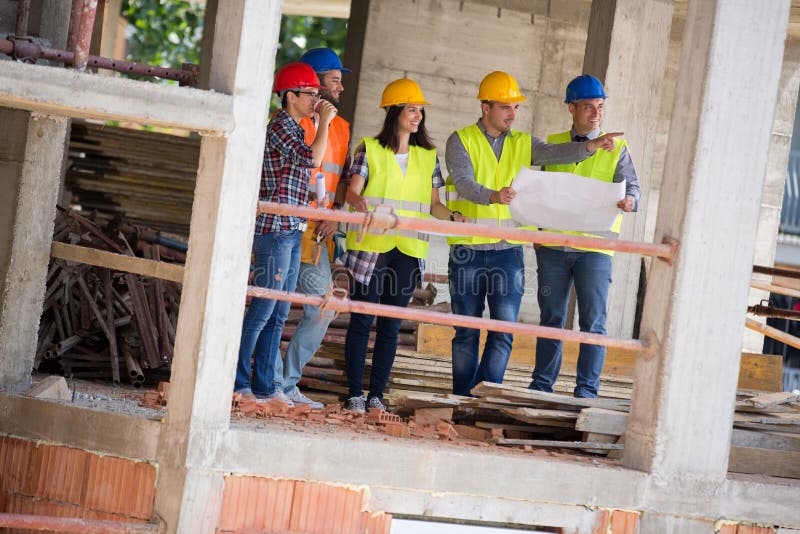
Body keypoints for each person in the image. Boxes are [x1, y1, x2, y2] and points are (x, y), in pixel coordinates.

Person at [445, 70, 621, 397]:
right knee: (466, 332)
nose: (513, 114)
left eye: (515, 108)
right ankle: (461, 398)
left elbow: (558, 154)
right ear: (486, 108)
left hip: (508, 252)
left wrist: (591, 147)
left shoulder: (524, 143)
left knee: (504, 332)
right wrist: (492, 195)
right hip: (467, 251)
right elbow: (465, 183)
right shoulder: (461, 140)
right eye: (506, 107)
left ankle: (483, 398)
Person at [343, 78, 466, 413]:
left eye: (420, 110)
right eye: (412, 109)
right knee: (362, 321)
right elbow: (353, 190)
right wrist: (357, 203)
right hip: (371, 247)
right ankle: (354, 394)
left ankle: (376, 397)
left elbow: (434, 204)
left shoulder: (428, 158)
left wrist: (451, 215)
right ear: (394, 111)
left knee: (390, 326)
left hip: (408, 250)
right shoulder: (369, 148)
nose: (418, 115)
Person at [529, 74, 639, 398]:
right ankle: (541, 387)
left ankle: (587, 392)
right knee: (551, 318)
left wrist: (630, 201)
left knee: (593, 323)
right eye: (589, 107)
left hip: (595, 248)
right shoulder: (553, 144)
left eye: (600, 107)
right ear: (572, 108)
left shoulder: (617, 148)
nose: (596, 114)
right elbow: (539, 192)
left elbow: (633, 187)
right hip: (553, 247)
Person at [234, 62, 337, 404]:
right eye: (310, 94)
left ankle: (266, 387)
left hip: (291, 229)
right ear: (291, 96)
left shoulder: (295, 129)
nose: (315, 100)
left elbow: (296, 173)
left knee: (278, 312)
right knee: (263, 309)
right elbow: (312, 159)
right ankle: (238, 383)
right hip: (275, 231)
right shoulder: (280, 127)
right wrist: (324, 123)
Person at [270, 48, 352, 409]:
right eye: (335, 79)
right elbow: (294, 174)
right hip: (289, 227)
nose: (341, 86)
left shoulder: (342, 127)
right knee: (274, 306)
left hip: (317, 235)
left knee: (322, 308)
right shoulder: (292, 122)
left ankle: (286, 383)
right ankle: (269, 383)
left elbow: (333, 181)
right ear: (313, 83)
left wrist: (333, 214)